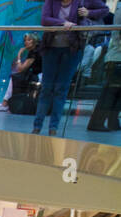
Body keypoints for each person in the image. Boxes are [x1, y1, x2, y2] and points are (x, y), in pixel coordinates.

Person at [35, 0, 90, 136]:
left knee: (61, 89)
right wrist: (62, 23)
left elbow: (98, 14)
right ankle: (37, 126)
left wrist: (85, 16)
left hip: (71, 50)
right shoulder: (51, 2)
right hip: (50, 49)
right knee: (46, 88)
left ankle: (53, 127)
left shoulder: (79, 2)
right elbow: (44, 20)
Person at [0, 34, 42, 111]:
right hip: (38, 74)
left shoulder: (34, 52)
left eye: (29, 40)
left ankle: (4, 104)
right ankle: (7, 103)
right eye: (25, 40)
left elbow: (20, 69)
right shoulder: (36, 51)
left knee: (15, 78)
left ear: (34, 41)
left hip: (40, 76)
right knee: (17, 77)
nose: (26, 42)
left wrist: (19, 55)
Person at [87, 26, 121, 131]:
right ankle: (97, 123)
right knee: (109, 94)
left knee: (116, 94)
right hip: (116, 59)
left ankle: (113, 122)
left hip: (116, 58)